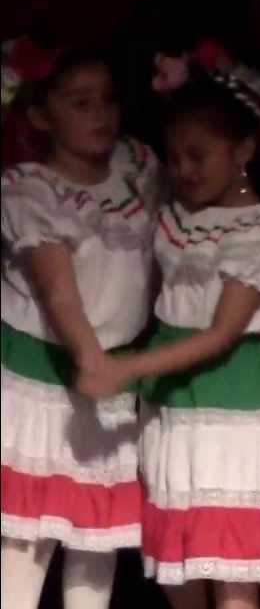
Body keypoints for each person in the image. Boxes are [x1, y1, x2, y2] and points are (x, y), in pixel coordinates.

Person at [77, 46, 260, 609]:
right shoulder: (176, 214)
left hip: (232, 399)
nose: (184, 170)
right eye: (176, 157)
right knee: (179, 560)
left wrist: (125, 368)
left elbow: (219, 333)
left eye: (198, 155)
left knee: (232, 563)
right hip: (174, 400)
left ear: (243, 150)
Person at [1, 43, 160, 609]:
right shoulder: (31, 188)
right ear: (42, 116)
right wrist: (92, 361)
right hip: (41, 377)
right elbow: (57, 287)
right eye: (80, 102)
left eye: (109, 100)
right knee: (25, 544)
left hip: (113, 372)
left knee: (96, 543)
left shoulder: (136, 167)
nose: (101, 114)